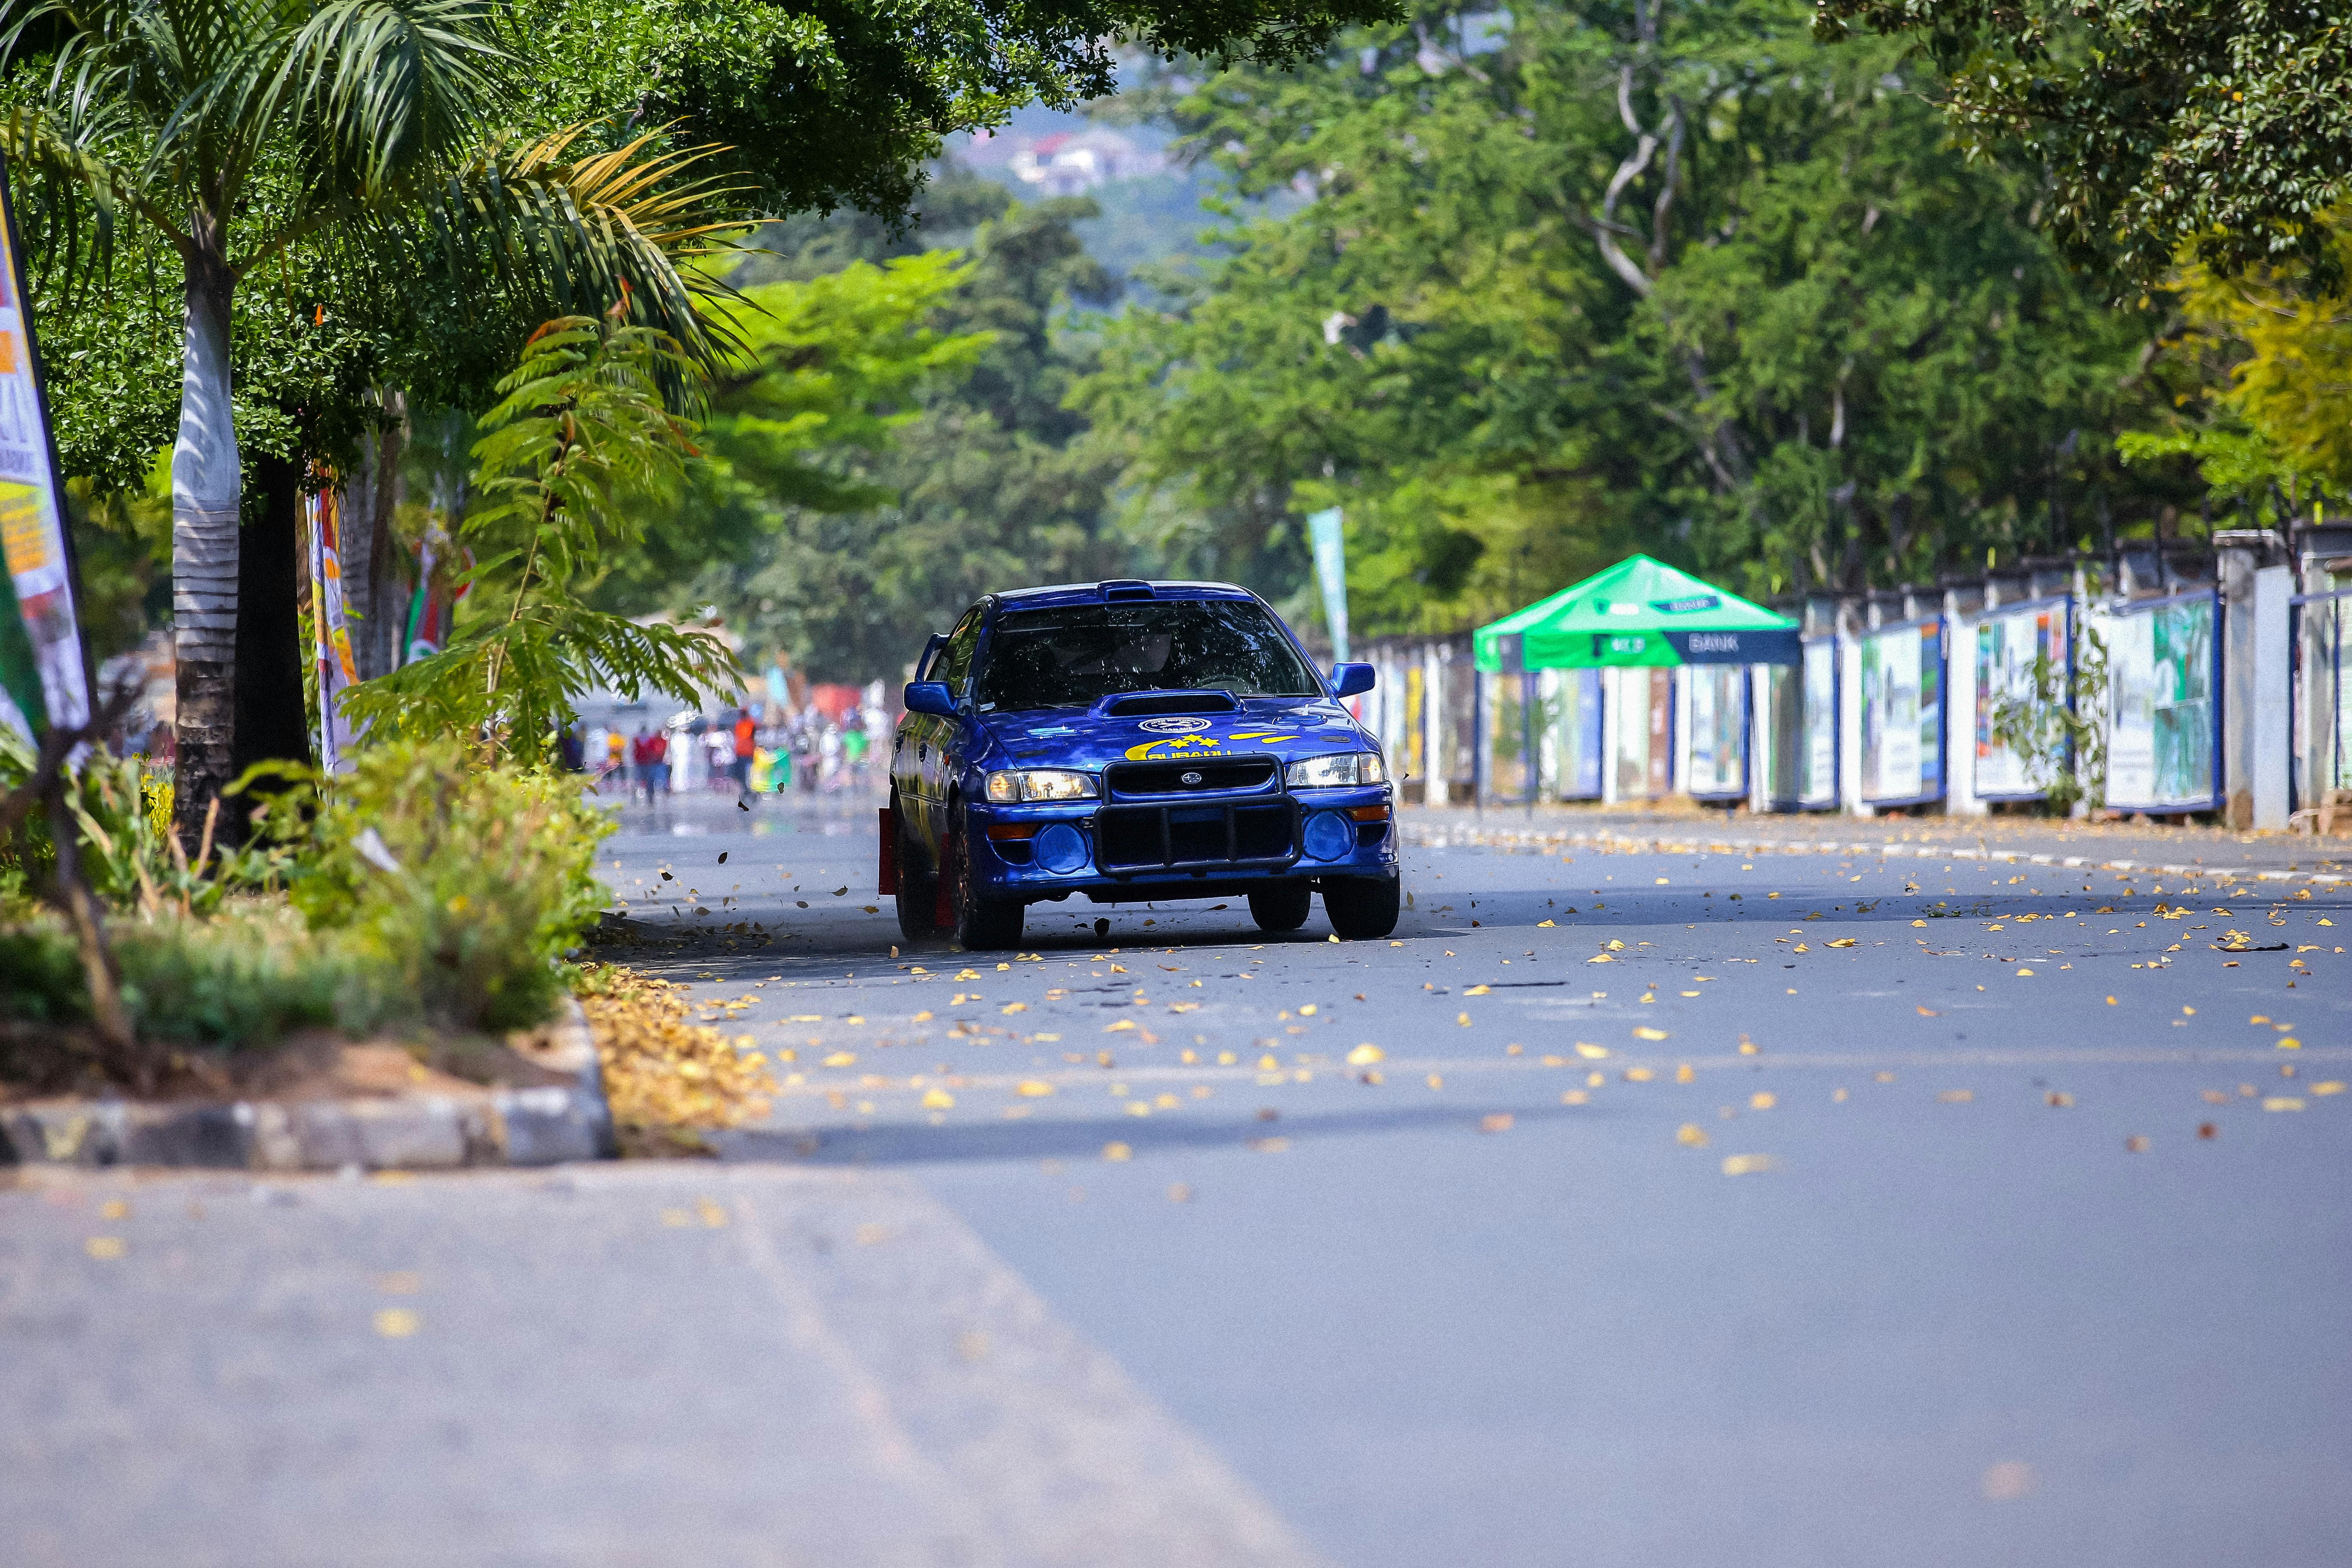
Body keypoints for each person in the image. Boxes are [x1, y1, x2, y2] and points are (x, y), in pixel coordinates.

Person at [732, 707, 758, 802]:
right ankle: (746, 790)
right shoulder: (739, 724)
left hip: (748, 754)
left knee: (748, 775)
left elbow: (754, 737)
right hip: (739, 753)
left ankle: (749, 792)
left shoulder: (752, 724)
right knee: (739, 775)